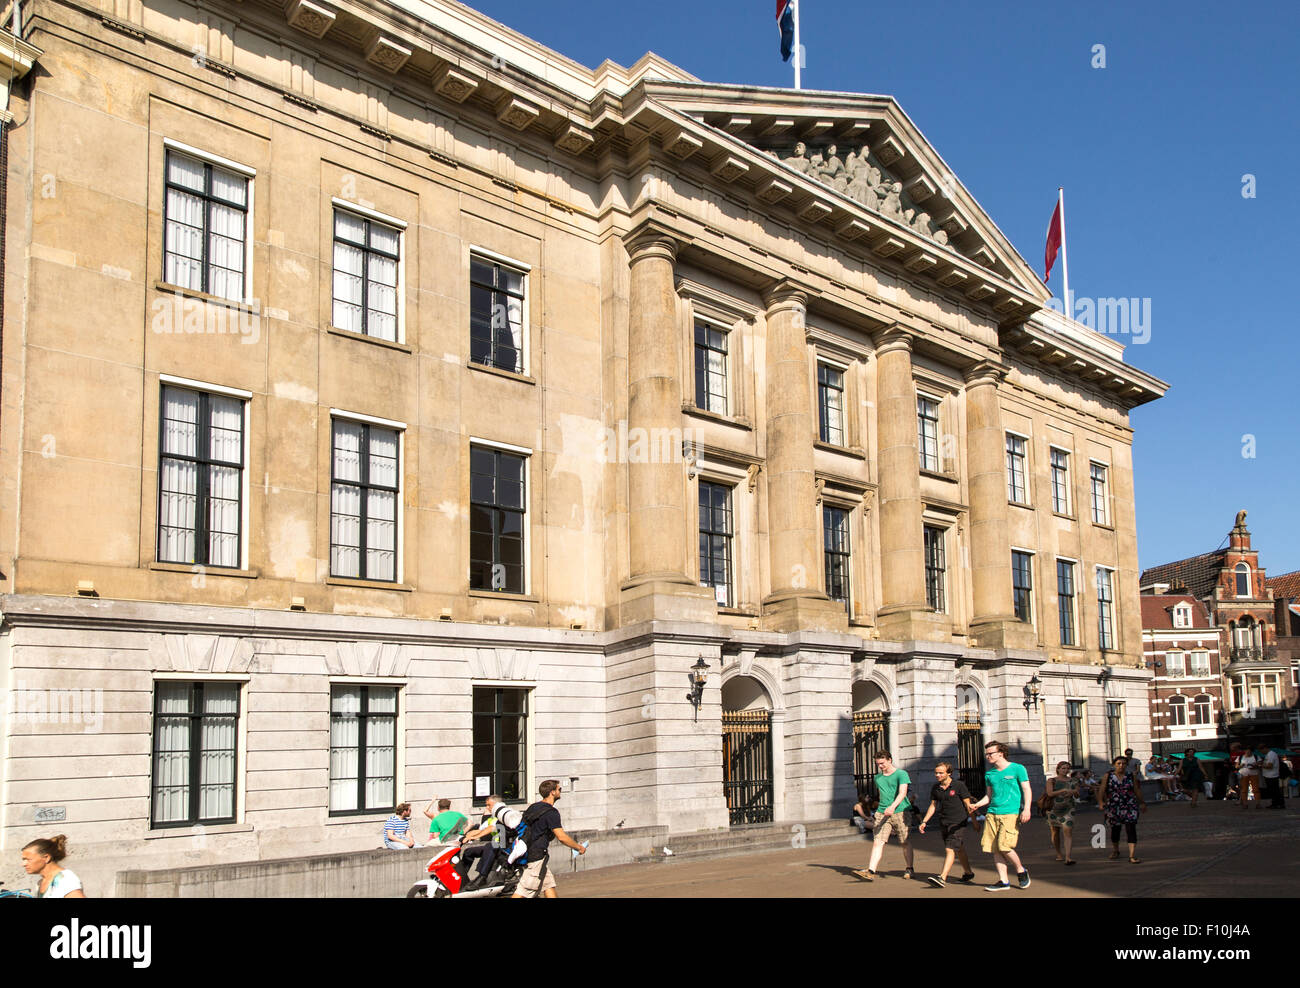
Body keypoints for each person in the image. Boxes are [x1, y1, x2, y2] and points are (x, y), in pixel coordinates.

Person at [968, 740, 1032, 891]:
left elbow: (1026, 789)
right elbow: (989, 796)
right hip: (992, 814)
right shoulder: (990, 774)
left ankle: (1021, 871)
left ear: (1000, 754)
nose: (988, 756)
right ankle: (1003, 881)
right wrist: (977, 805)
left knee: (1005, 846)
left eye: (990, 753)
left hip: (1010, 813)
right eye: (987, 754)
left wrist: (1027, 809)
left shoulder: (1017, 769)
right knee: (994, 848)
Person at [511, 779, 586, 898]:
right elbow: (561, 837)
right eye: (559, 789)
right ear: (552, 792)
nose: (560, 791)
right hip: (536, 856)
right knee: (524, 892)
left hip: (528, 852)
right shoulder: (552, 812)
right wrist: (578, 847)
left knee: (548, 885)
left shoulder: (533, 807)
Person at [852, 751, 914, 882]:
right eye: (878, 764)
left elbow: (903, 793)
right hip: (882, 813)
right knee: (877, 841)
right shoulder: (877, 778)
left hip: (901, 811)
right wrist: (880, 807)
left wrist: (892, 807)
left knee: (904, 842)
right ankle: (871, 871)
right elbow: (882, 794)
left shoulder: (901, 774)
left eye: (882, 763)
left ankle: (909, 868)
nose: (880, 766)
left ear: (889, 760)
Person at [917, 761, 976, 887]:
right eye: (936, 773)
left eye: (941, 773)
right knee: (958, 847)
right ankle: (968, 872)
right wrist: (924, 821)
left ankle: (942, 877)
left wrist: (975, 822)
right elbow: (933, 806)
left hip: (958, 822)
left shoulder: (959, 785)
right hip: (944, 821)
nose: (937, 775)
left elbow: (968, 804)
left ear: (949, 773)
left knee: (950, 849)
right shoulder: (936, 788)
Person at [1098, 755, 1145, 862]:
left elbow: (1136, 789)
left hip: (1130, 805)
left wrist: (1142, 802)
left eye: (1124, 764)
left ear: (1127, 765)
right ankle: (1116, 850)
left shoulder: (1130, 775)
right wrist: (1101, 802)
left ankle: (1132, 855)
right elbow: (1102, 789)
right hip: (1113, 806)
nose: (1121, 766)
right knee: (1115, 830)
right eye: (1118, 763)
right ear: (1114, 765)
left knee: (1131, 828)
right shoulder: (1108, 776)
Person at [458, 794, 504, 888]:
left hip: (504, 846)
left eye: (489, 805)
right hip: (495, 845)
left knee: (489, 847)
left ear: (496, 805)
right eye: (486, 805)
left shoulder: (502, 816)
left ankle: (482, 877)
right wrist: (465, 835)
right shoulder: (491, 818)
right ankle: (461, 878)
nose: (487, 808)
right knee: (468, 852)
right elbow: (480, 829)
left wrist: (474, 837)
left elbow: (491, 829)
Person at [1045, 761, 1078, 865]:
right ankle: (1059, 853)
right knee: (1055, 832)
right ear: (1058, 769)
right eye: (1063, 768)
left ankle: (1068, 857)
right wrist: (1062, 790)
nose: (1065, 770)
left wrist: (1073, 792)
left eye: (1067, 768)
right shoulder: (1052, 780)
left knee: (1068, 832)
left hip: (1069, 809)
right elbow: (1050, 793)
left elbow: (1077, 795)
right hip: (1053, 809)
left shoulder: (1074, 780)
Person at [1259, 744, 1284, 809]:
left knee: (1275, 790)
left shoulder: (1271, 754)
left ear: (1264, 748)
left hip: (1272, 776)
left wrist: (1260, 765)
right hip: (1268, 775)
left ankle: (1279, 804)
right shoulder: (1268, 755)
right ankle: (1275, 803)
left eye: (1261, 750)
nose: (1261, 752)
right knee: (1272, 791)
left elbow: (1270, 766)